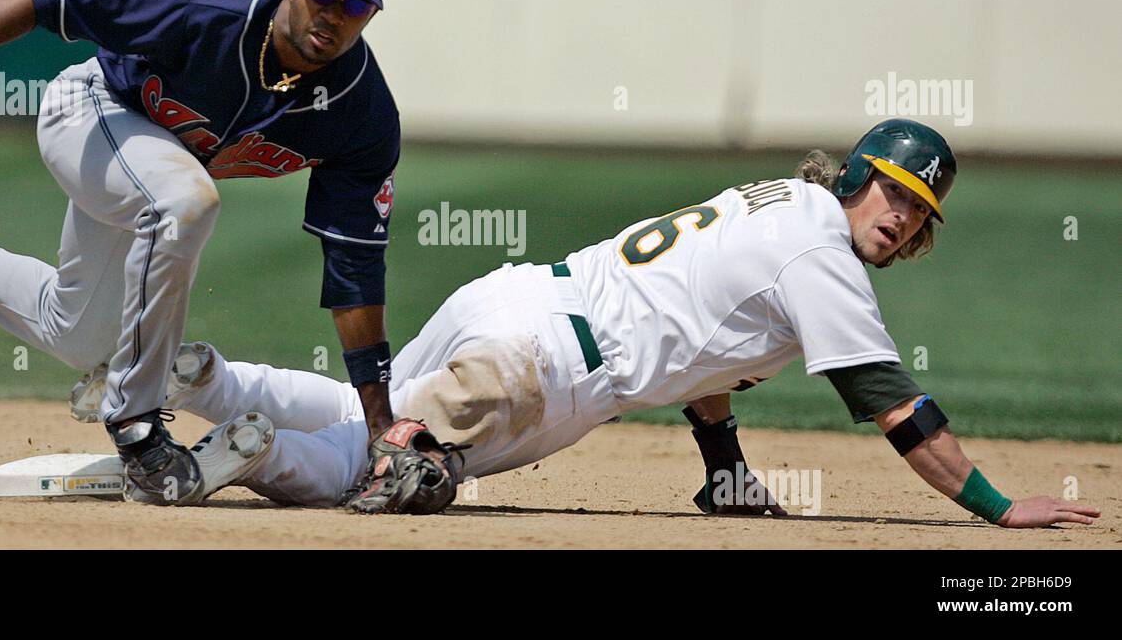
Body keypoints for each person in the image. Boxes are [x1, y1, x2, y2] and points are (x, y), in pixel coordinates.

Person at [128, 119, 1100, 526]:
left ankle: (197, 377)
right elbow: (897, 408)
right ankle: (246, 454)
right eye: (890, 192)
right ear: (854, 179)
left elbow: (709, 349)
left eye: (917, 211)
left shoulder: (780, 208)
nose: (898, 215)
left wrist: (723, 470)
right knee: (370, 466)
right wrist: (998, 504)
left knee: (361, 408)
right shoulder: (825, 261)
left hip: (508, 303)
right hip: (540, 372)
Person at [0, 0, 410, 505]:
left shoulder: (362, 116)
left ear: (373, 14)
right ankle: (139, 430)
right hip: (91, 113)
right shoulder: (202, 4)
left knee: (75, 335)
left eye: (354, 2)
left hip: (150, 164)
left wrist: (380, 431)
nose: (333, 12)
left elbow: (354, 270)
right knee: (185, 203)